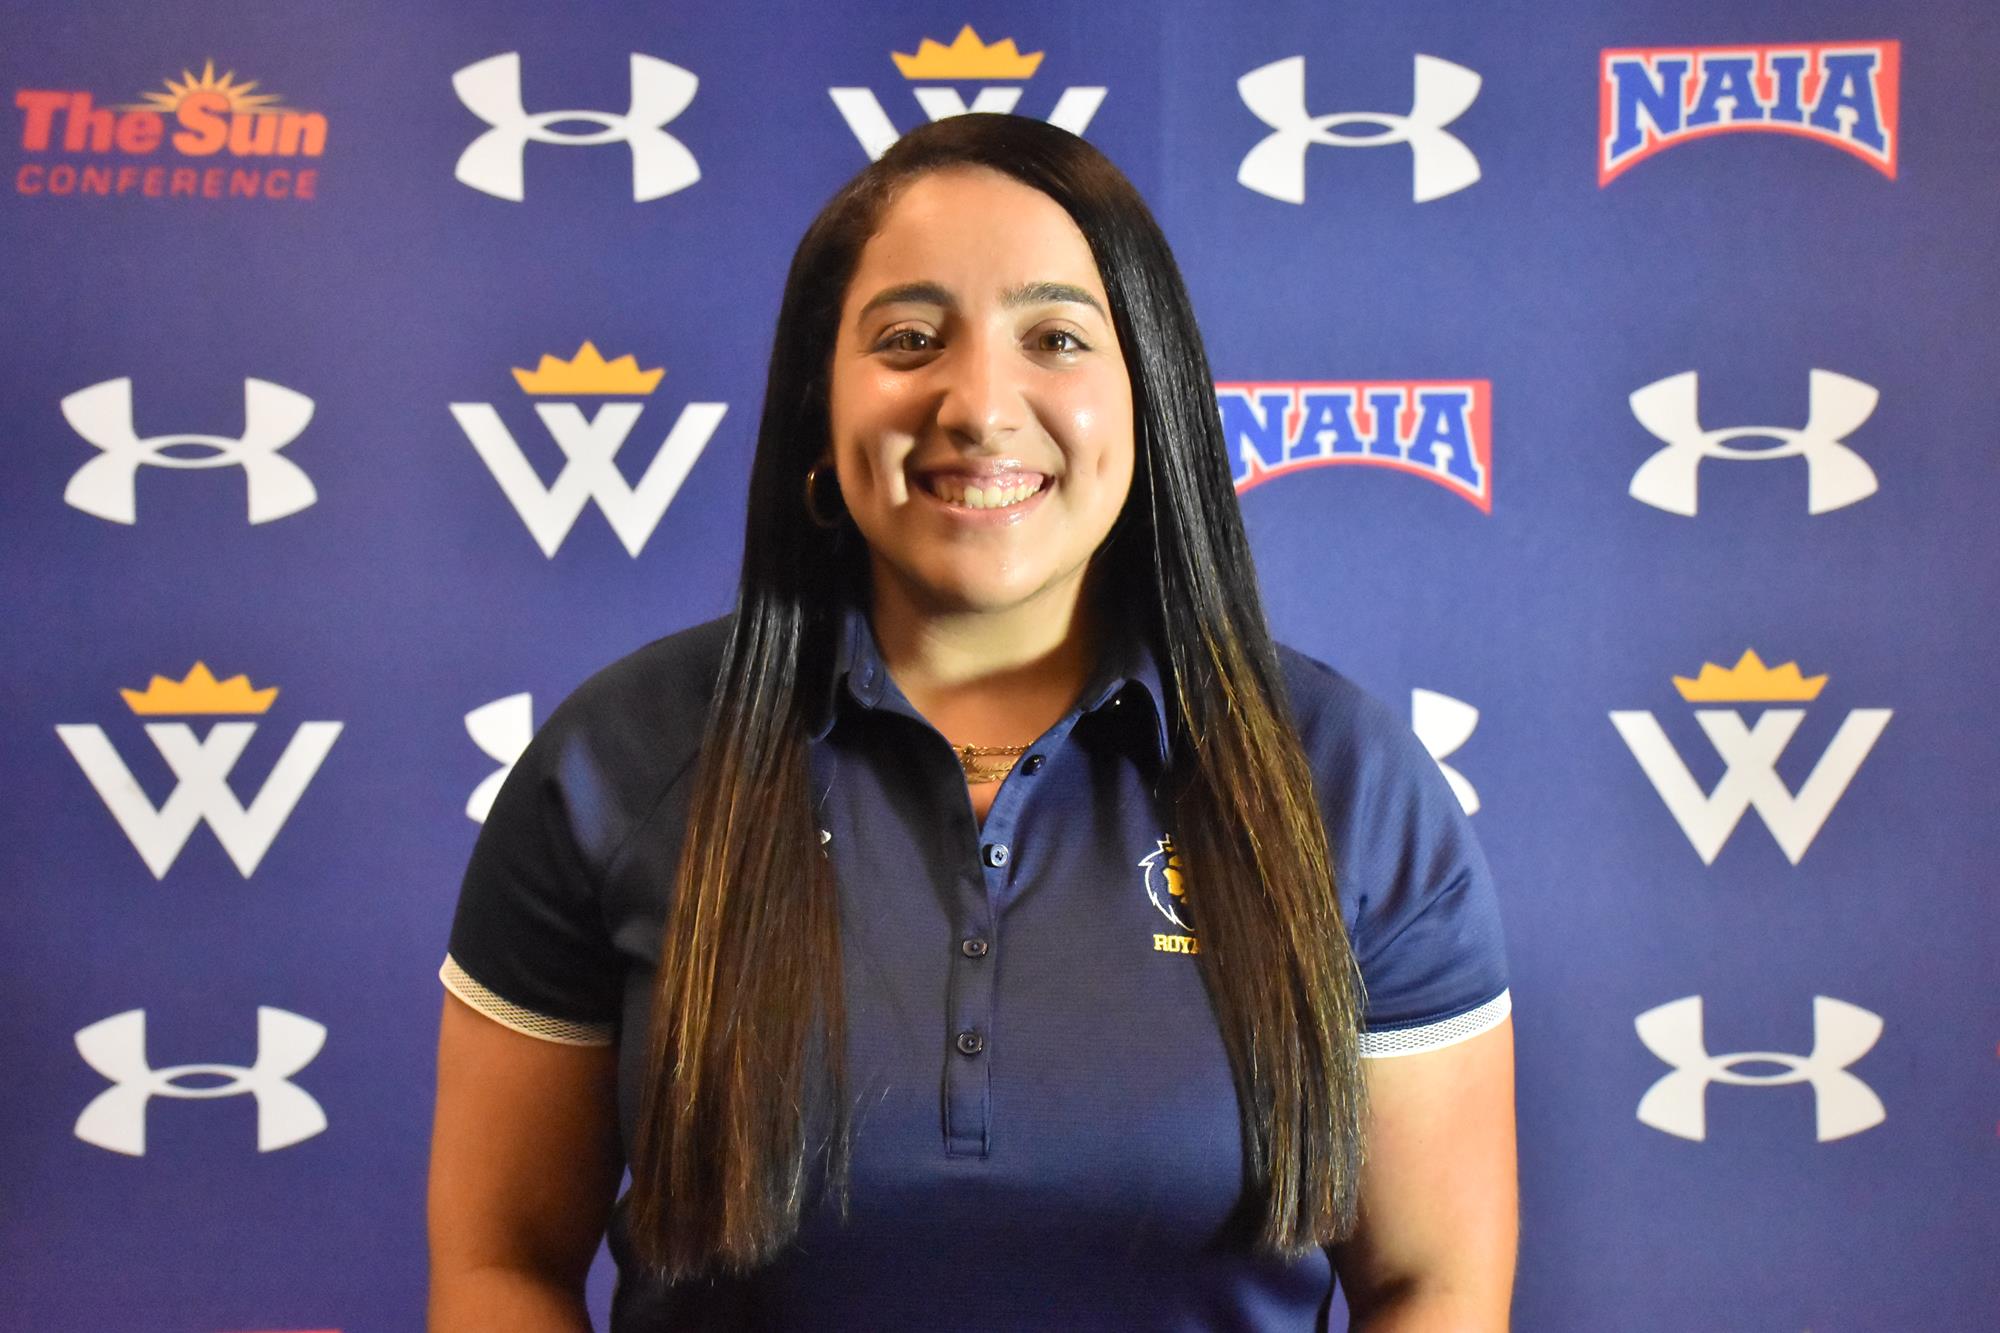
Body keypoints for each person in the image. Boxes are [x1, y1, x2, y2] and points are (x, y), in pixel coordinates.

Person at [428, 113, 1515, 1330]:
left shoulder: (1346, 785)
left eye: (1055, 338)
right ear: (818, 400)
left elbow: (1431, 1283)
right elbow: (502, 1258)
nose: (981, 407)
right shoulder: (615, 765)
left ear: (1147, 394)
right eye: (908, 339)